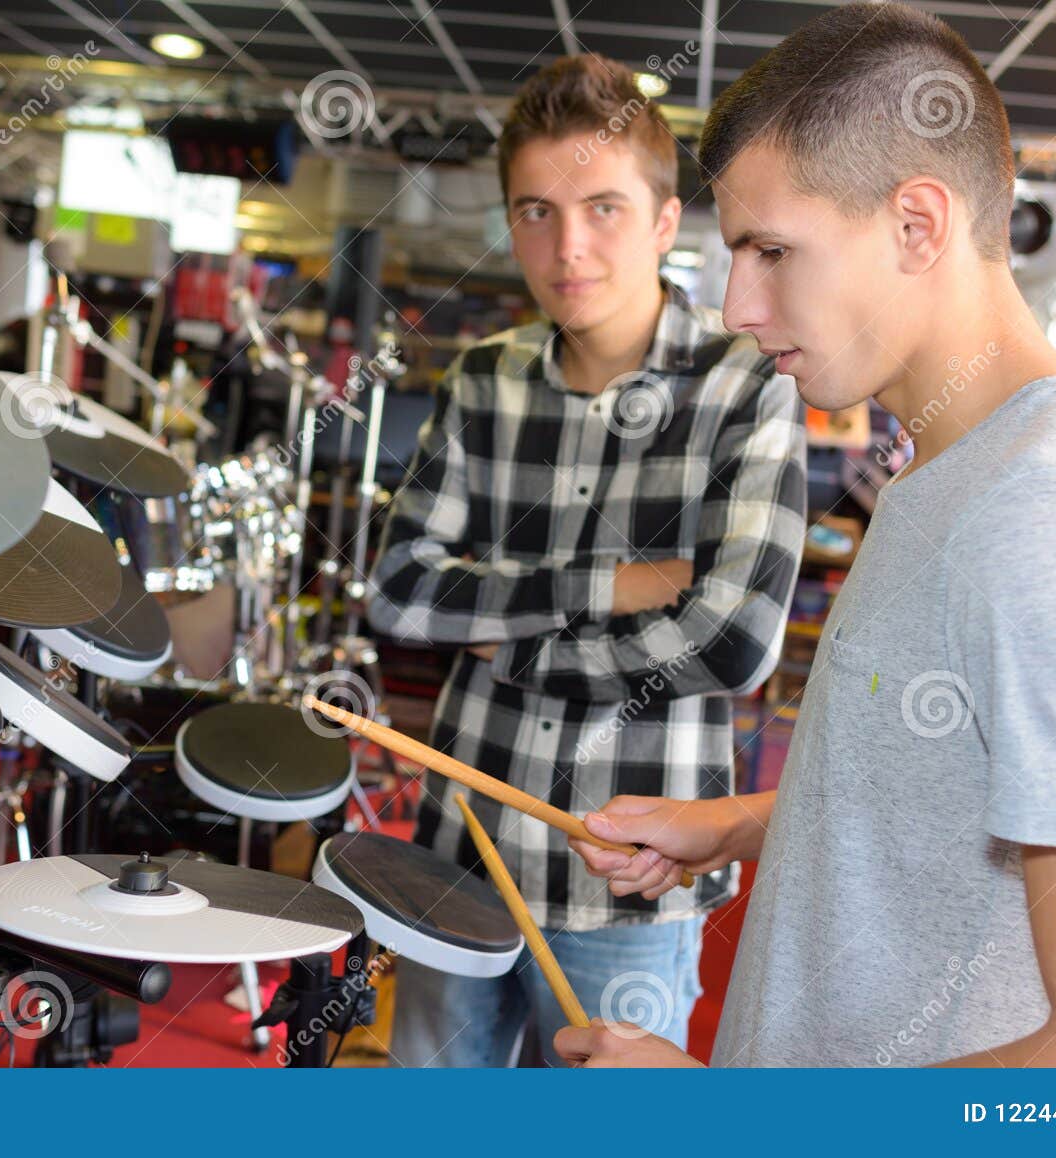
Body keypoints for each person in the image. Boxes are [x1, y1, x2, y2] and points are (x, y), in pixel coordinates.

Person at [558, 1, 1056, 1068]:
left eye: (771, 249)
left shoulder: (1054, 516)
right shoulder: (947, 472)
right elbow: (960, 789)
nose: (737, 301)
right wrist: (736, 825)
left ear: (917, 226)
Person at [366, 54, 808, 1067]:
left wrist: (505, 643)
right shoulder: (486, 377)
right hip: (463, 848)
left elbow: (732, 642)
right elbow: (397, 592)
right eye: (534, 211)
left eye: (603, 207)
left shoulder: (745, 382)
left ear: (663, 221)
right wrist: (602, 588)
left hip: (632, 875)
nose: (566, 247)